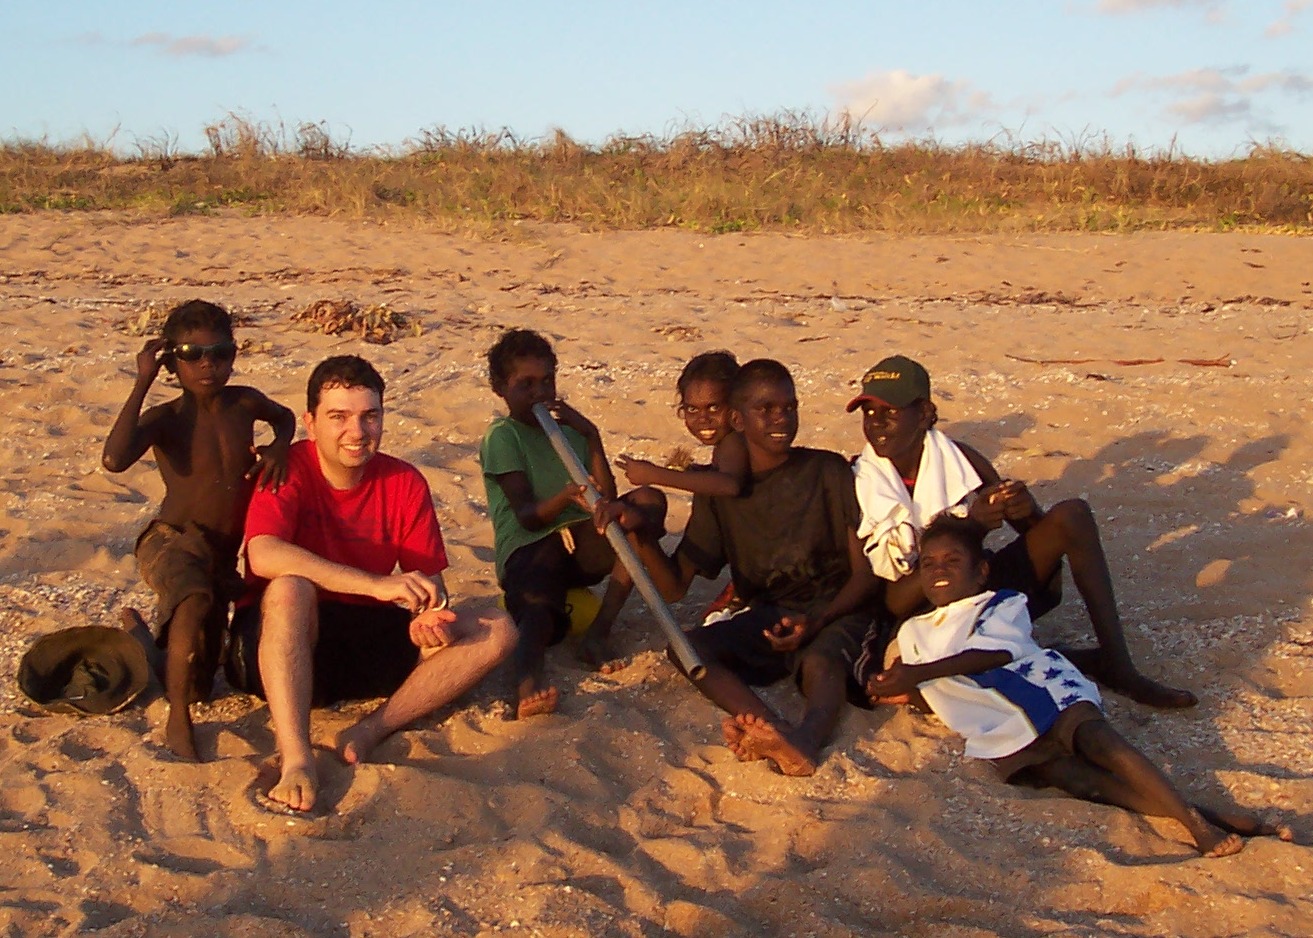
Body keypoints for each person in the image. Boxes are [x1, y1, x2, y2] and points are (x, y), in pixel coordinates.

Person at [863, 515, 1290, 858]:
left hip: (1048, 696)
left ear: (981, 572)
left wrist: (915, 675)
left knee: (1107, 748)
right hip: (1001, 733)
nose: (939, 570)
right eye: (929, 564)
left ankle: (1197, 828)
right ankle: (1211, 816)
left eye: (952, 561)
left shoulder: (1001, 602)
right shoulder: (915, 632)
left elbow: (994, 655)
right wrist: (903, 688)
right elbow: (940, 688)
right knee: (1090, 784)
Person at [225, 355, 516, 812]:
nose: (356, 432)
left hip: (368, 641)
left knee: (497, 627)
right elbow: (263, 554)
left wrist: (428, 617)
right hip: (284, 641)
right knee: (289, 588)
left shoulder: (404, 481)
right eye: (338, 418)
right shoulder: (289, 469)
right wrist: (377, 584)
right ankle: (297, 759)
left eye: (369, 416)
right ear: (311, 421)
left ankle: (371, 728)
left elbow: (430, 584)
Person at [848, 354, 1195, 709]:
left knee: (1072, 515)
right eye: (868, 413)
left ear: (924, 414)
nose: (876, 425)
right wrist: (972, 526)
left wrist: (1026, 511)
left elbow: (1033, 536)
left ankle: (1118, 664)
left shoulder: (961, 461)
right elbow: (888, 599)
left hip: (972, 590)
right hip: (912, 610)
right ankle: (1059, 659)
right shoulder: (859, 479)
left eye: (890, 413)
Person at [605, 359, 878, 776]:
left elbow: (864, 574)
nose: (781, 419)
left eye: (789, 407)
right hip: (771, 615)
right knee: (688, 648)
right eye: (765, 409)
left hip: (835, 607)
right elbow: (675, 585)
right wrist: (639, 535)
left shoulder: (828, 471)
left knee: (822, 662)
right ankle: (774, 727)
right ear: (739, 418)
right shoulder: (715, 493)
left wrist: (818, 619)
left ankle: (805, 739)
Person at [102, 299, 296, 762]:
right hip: (172, 538)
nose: (207, 365)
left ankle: (143, 639)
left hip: (221, 553)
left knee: (199, 684)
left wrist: (278, 447)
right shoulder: (167, 419)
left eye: (220, 353)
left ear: (234, 355)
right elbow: (114, 459)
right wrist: (143, 381)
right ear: (173, 360)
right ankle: (177, 722)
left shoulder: (245, 401)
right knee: (192, 602)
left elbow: (285, 417)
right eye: (192, 354)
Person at [480, 328, 666, 714]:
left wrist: (591, 434)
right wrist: (566, 495)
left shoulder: (569, 429)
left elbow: (609, 500)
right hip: (530, 547)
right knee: (538, 608)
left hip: (577, 545)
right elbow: (528, 517)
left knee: (645, 504)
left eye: (547, 381)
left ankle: (598, 635)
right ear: (500, 387)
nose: (539, 393)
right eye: (525, 384)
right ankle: (527, 680)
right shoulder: (503, 435)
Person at [614, 350, 749, 623]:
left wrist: (655, 474)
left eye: (714, 408)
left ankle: (744, 590)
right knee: (673, 585)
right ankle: (641, 534)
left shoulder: (735, 441)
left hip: (756, 540)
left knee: (712, 489)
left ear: (736, 409)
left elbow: (731, 484)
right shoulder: (726, 448)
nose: (703, 419)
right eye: (692, 409)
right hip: (724, 519)